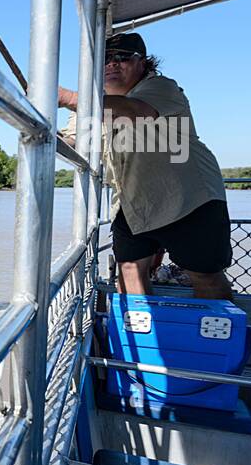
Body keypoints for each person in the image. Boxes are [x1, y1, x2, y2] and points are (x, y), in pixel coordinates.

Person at [59, 33, 232, 300]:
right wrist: (42, 132)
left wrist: (67, 97)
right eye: (105, 59)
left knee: (204, 275)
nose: (112, 64)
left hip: (187, 198)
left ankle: (214, 338)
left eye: (123, 58)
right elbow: (74, 141)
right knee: (128, 271)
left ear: (144, 64)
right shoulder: (91, 105)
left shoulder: (161, 87)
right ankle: (141, 338)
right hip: (133, 202)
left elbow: (133, 109)